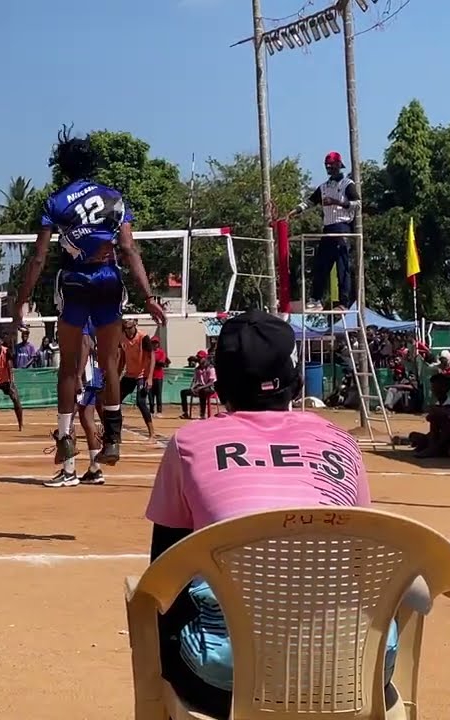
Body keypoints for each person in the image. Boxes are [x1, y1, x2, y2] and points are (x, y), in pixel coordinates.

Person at [144, 309, 395, 717]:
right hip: (355, 672)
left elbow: (163, 571)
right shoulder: (341, 442)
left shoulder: (190, 444)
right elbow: (362, 556)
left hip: (230, 681)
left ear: (219, 381)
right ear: (295, 378)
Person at [13, 125, 165, 467]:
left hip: (75, 281)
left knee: (69, 367)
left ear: (62, 165)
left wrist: (21, 301)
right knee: (110, 362)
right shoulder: (113, 197)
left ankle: (65, 437)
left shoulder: (56, 201)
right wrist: (149, 296)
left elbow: (38, 257)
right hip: (109, 277)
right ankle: (112, 439)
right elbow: (128, 248)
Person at [289, 151, 361, 311]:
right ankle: (316, 299)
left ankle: (343, 302)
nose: (329, 168)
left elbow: (357, 203)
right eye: (327, 166)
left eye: (332, 165)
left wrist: (337, 202)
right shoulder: (323, 187)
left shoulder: (347, 184)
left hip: (342, 226)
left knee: (342, 266)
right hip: (328, 227)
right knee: (321, 265)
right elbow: (309, 201)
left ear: (338, 165)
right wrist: (295, 211)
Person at [49, 321, 106, 487]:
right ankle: (95, 469)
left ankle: (69, 471)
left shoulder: (78, 316)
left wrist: (78, 376)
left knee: (67, 420)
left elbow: (85, 342)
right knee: (88, 420)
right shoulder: (93, 317)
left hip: (81, 374)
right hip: (92, 373)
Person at [117, 319, 156, 438]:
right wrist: (117, 375)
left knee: (141, 402)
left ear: (134, 325)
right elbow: (122, 358)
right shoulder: (122, 337)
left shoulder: (143, 337)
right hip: (129, 374)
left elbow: (152, 357)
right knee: (115, 400)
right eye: (126, 327)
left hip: (142, 374)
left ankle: (152, 432)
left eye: (130, 327)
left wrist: (149, 378)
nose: (128, 330)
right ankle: (116, 429)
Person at [180, 351, 216, 420]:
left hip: (210, 388)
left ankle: (202, 414)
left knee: (202, 391)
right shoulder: (197, 369)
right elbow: (196, 381)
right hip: (200, 387)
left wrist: (201, 387)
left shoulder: (211, 368)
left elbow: (211, 382)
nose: (199, 359)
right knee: (183, 392)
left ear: (205, 358)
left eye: (200, 357)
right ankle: (185, 413)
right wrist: (193, 388)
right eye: (198, 357)